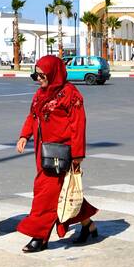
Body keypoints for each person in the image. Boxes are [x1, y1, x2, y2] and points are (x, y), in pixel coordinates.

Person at [15, 55, 99, 252]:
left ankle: (39, 236)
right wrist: (24, 135)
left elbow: (78, 125)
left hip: (62, 153)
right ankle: (89, 226)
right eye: (36, 74)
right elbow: (32, 115)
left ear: (54, 73)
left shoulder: (71, 94)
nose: (38, 78)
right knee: (65, 192)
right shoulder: (40, 94)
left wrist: (77, 155)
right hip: (43, 152)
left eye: (42, 75)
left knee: (45, 194)